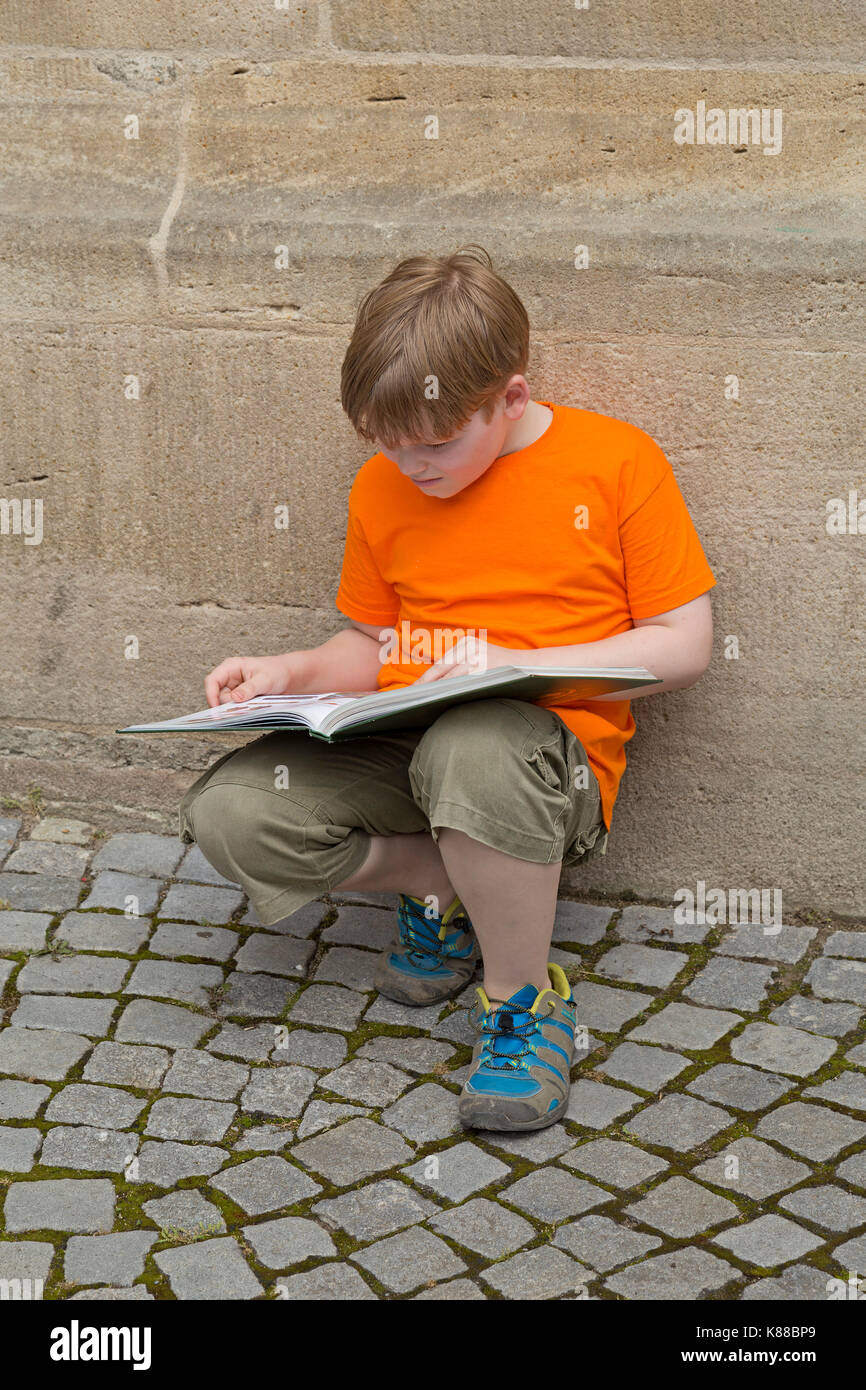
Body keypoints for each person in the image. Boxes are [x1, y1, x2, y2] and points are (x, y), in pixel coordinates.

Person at [179, 244, 716, 1132]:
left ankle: (524, 1007)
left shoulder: (616, 463)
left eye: (431, 444)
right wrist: (292, 673)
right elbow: (373, 642)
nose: (409, 466)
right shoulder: (385, 482)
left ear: (509, 398)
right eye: (384, 446)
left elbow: (685, 645)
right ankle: (446, 884)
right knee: (234, 810)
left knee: (478, 742)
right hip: (407, 742)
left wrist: (518, 666)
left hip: (545, 763)